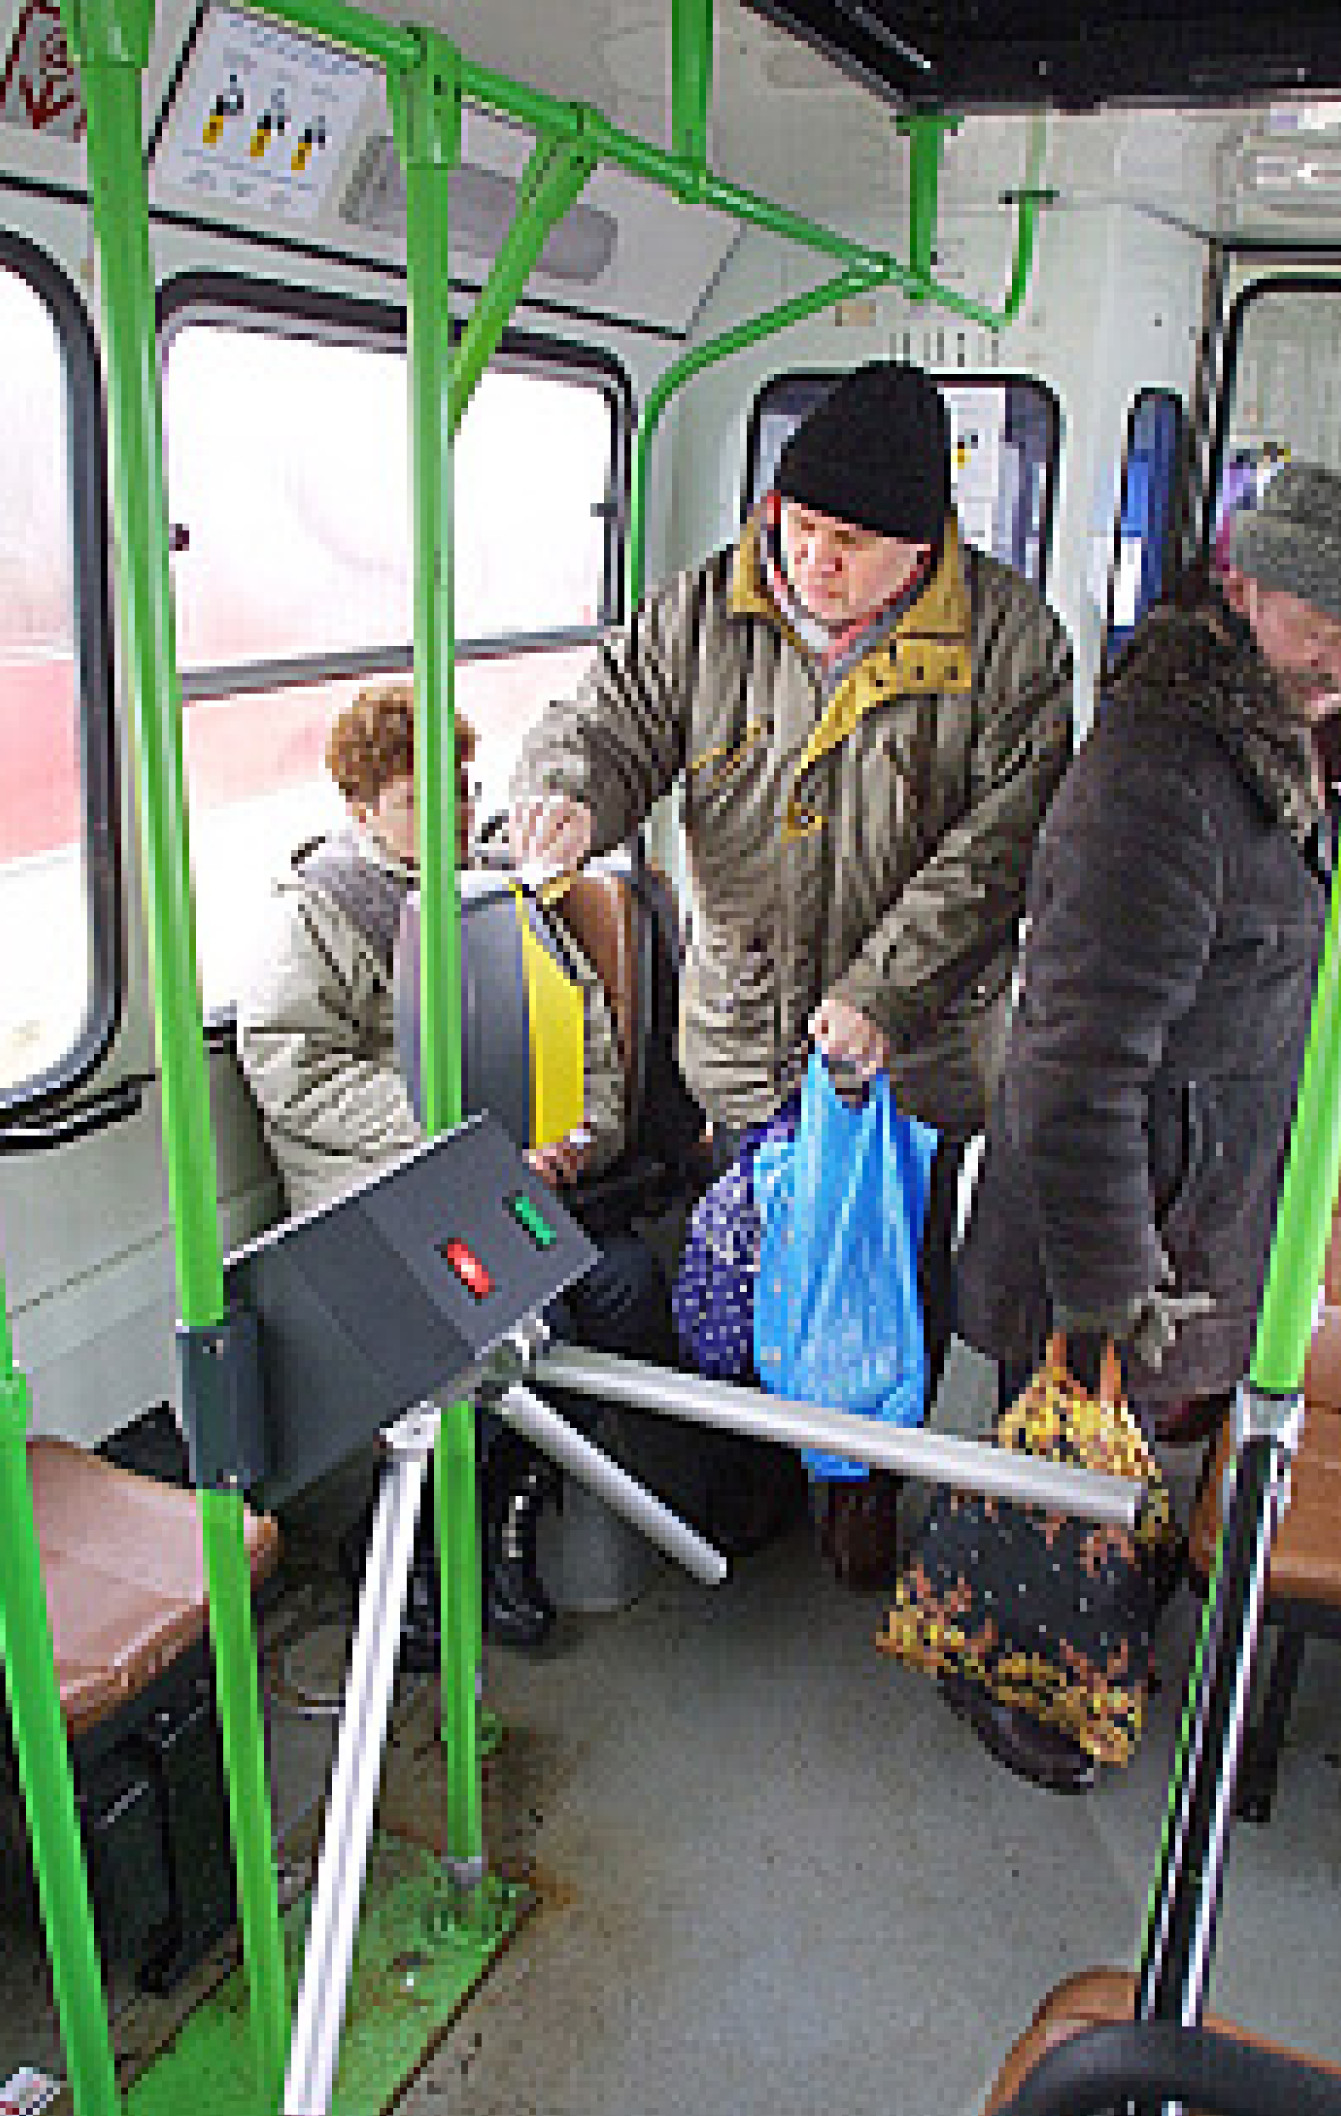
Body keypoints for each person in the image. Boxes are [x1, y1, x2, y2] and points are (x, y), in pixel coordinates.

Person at [509, 360, 1074, 1580]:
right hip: (746, 1026)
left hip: (913, 1056)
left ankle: (863, 1478)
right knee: (744, 1267)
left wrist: (883, 993)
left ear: (920, 546)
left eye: (849, 542)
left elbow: (999, 849)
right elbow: (607, 724)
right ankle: (753, 1475)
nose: (812, 560)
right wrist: (565, 796)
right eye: (798, 527)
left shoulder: (1011, 641)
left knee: (883, 1276)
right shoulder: (701, 611)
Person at [925, 458, 1341, 1789]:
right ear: (1239, 590)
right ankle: (1000, 1669)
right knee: (1063, 1466)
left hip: (1191, 1191)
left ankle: (1072, 1632)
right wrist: (1113, 1285)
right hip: (1114, 1224)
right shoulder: (1162, 777)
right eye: (1317, 625)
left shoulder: (1274, 735)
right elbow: (1077, 1060)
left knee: (1119, 1469)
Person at [237, 681, 674, 1647]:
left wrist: (576, 1138)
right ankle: (430, 1546)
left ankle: (516, 1511)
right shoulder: (320, 915)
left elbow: (583, 1041)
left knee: (624, 1289)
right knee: (522, 1317)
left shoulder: (498, 900)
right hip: (386, 1193)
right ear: (358, 811)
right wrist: (455, 1131)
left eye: (462, 793)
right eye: (413, 801)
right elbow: (295, 1070)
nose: (450, 817)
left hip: (504, 1179)